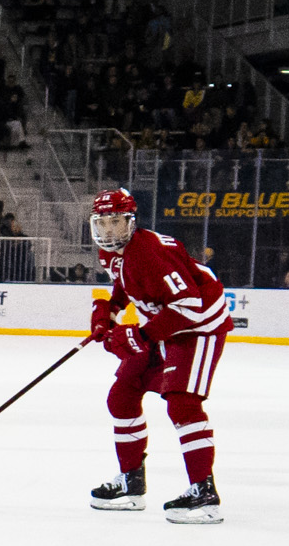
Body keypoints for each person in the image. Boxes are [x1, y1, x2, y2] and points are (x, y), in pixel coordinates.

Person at [87, 187, 230, 521]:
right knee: (122, 395)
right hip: (163, 323)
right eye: (102, 223)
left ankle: (205, 495)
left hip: (198, 326)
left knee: (182, 403)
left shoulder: (151, 251)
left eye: (116, 222)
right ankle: (131, 483)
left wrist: (141, 335)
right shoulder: (110, 253)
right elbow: (126, 283)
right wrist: (109, 313)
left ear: (131, 222)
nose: (109, 230)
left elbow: (189, 305)